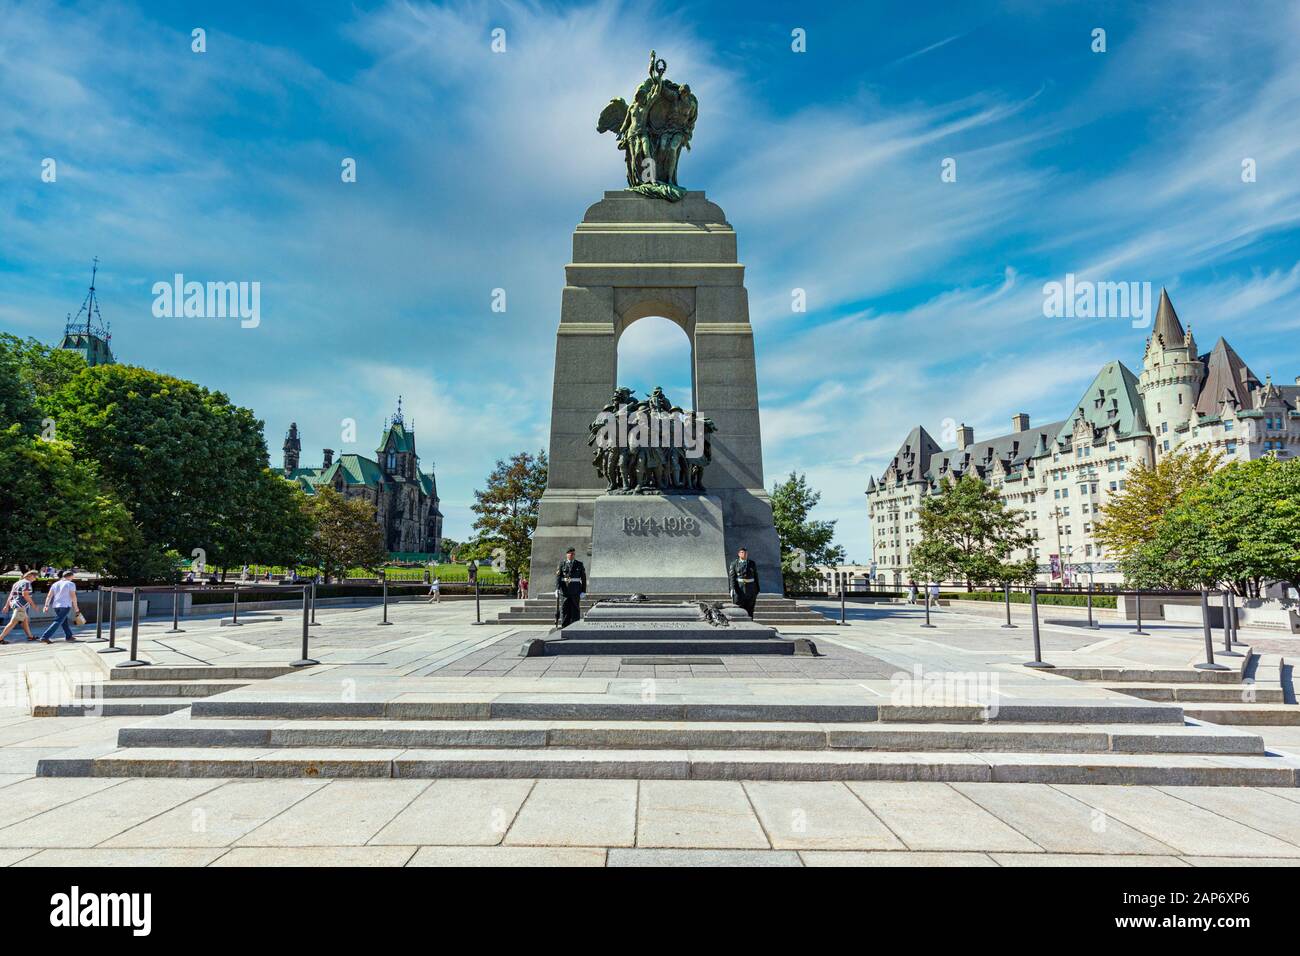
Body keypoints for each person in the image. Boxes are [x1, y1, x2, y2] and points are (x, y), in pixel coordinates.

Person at [41, 569, 81, 642]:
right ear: (70, 576)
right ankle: (45, 637)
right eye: (73, 577)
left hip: (56, 605)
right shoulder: (70, 584)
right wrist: (76, 608)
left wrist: (46, 605)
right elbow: (73, 596)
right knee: (58, 621)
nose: (73, 578)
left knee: (63, 620)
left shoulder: (55, 584)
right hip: (65, 605)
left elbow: (49, 596)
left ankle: (69, 636)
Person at [1, 570, 40, 644]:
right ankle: (0, 638)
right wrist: (34, 605)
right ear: (30, 576)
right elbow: (25, 595)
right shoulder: (27, 583)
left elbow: (11, 595)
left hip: (15, 604)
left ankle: (30, 636)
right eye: (35, 577)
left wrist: (7, 605)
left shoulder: (17, 583)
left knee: (25, 621)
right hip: (21, 606)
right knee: (13, 623)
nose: (35, 579)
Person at [555, 548, 587, 627]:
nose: (572, 555)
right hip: (564, 591)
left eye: (573, 554)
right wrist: (557, 588)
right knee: (564, 609)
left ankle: (575, 626)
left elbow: (583, 578)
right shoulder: (562, 564)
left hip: (575, 590)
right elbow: (558, 577)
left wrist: (583, 591)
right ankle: (564, 626)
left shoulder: (579, 564)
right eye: (570, 554)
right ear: (567, 554)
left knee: (575, 609)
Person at [728, 547, 760, 618]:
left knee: (750, 608)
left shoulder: (752, 563)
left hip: (751, 589)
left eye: (746, 553)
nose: (745, 554)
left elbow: (756, 576)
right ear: (739, 554)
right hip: (739, 589)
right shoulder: (734, 564)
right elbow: (732, 577)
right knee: (739, 607)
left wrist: (757, 588)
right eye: (742, 553)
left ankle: (750, 623)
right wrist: (732, 588)